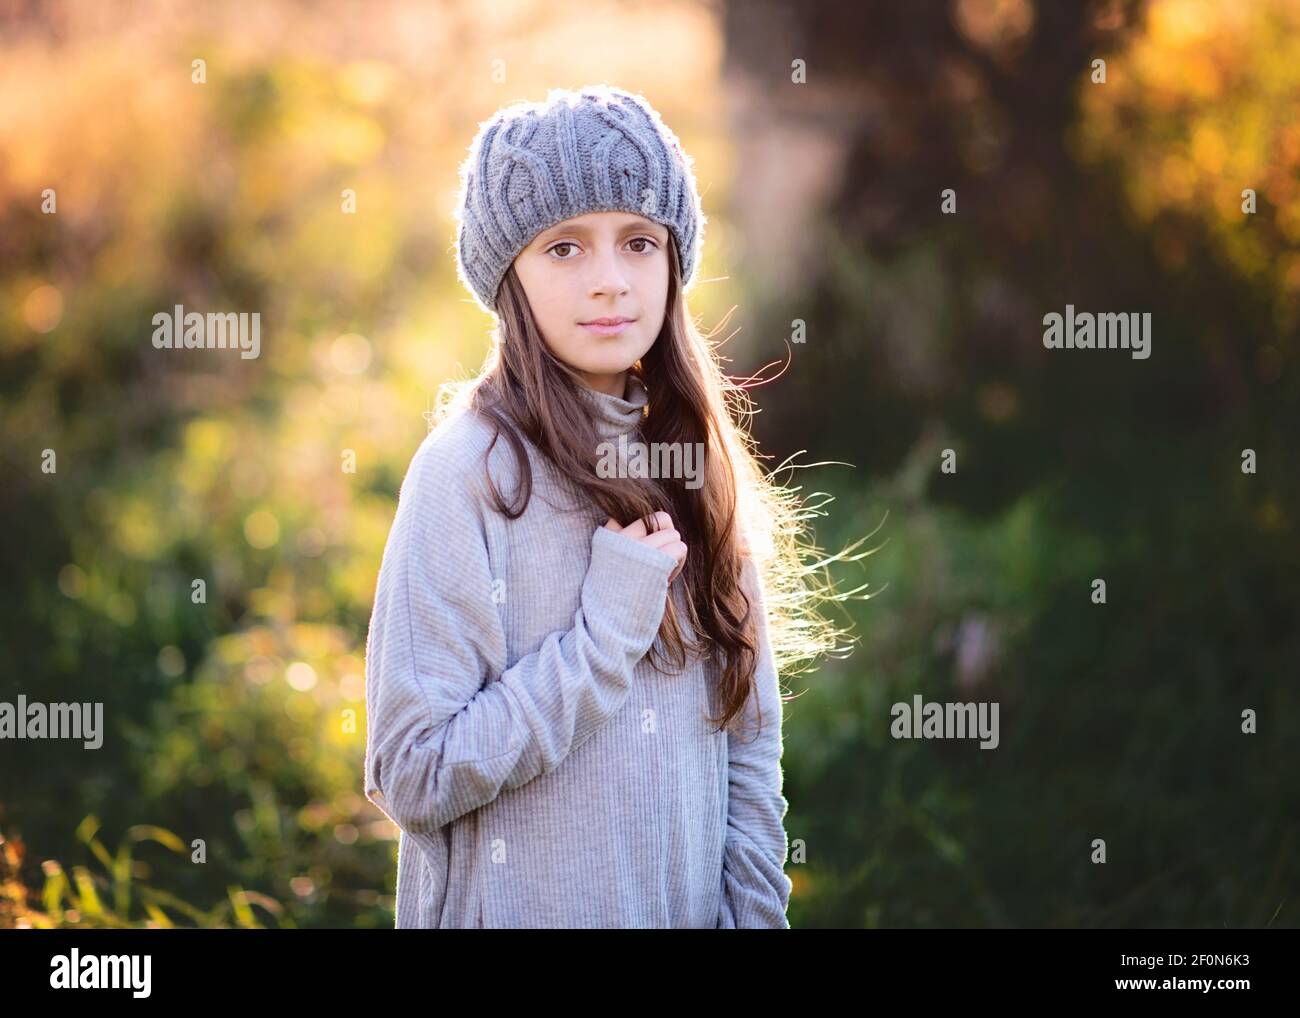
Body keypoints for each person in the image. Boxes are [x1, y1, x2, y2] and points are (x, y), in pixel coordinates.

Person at [362, 84, 848, 928]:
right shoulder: (466, 475)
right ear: (507, 276)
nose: (611, 282)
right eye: (564, 249)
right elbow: (412, 773)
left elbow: (749, 755)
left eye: (637, 242)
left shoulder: (697, 463)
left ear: (674, 259)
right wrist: (602, 642)